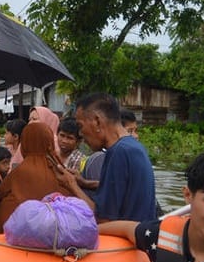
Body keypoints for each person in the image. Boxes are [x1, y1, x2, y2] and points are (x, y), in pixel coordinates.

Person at [59, 93, 156, 222]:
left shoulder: (118, 153)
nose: (80, 134)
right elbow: (123, 189)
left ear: (97, 122)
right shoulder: (132, 147)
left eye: (81, 126)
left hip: (125, 234)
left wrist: (71, 185)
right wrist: (85, 183)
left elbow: (103, 219)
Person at [0, 122, 74, 230]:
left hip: (15, 232)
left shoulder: (18, 172)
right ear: (50, 142)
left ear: (24, 143)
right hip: (57, 233)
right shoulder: (60, 170)